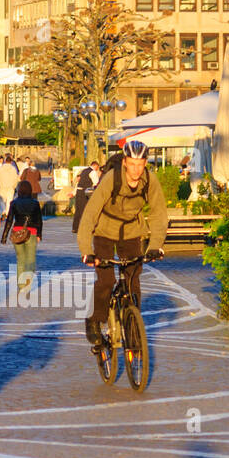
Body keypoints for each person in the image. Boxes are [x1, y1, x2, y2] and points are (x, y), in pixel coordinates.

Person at [76, 140, 167, 348]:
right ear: (125, 162)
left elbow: (159, 214)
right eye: (132, 164)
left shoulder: (149, 181)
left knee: (133, 281)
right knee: (106, 281)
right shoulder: (111, 179)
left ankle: (133, 328)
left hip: (132, 231)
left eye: (140, 164)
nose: (136, 169)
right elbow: (90, 214)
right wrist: (86, 251)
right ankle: (95, 321)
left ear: (145, 163)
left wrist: (155, 245)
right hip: (105, 231)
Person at [0, 179, 44, 293]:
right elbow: (39, 221)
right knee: (30, 259)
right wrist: (39, 234)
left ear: (19, 190)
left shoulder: (14, 203)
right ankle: (28, 284)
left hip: (17, 232)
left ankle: (21, 285)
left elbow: (9, 220)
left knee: (20, 260)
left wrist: (4, 236)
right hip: (32, 233)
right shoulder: (35, 203)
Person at [71, 162, 98, 233]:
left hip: (79, 192)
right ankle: (85, 228)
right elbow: (96, 183)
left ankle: (75, 228)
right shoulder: (93, 172)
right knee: (85, 210)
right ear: (96, 166)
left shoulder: (84, 171)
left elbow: (78, 183)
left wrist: (73, 193)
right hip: (85, 192)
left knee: (78, 210)